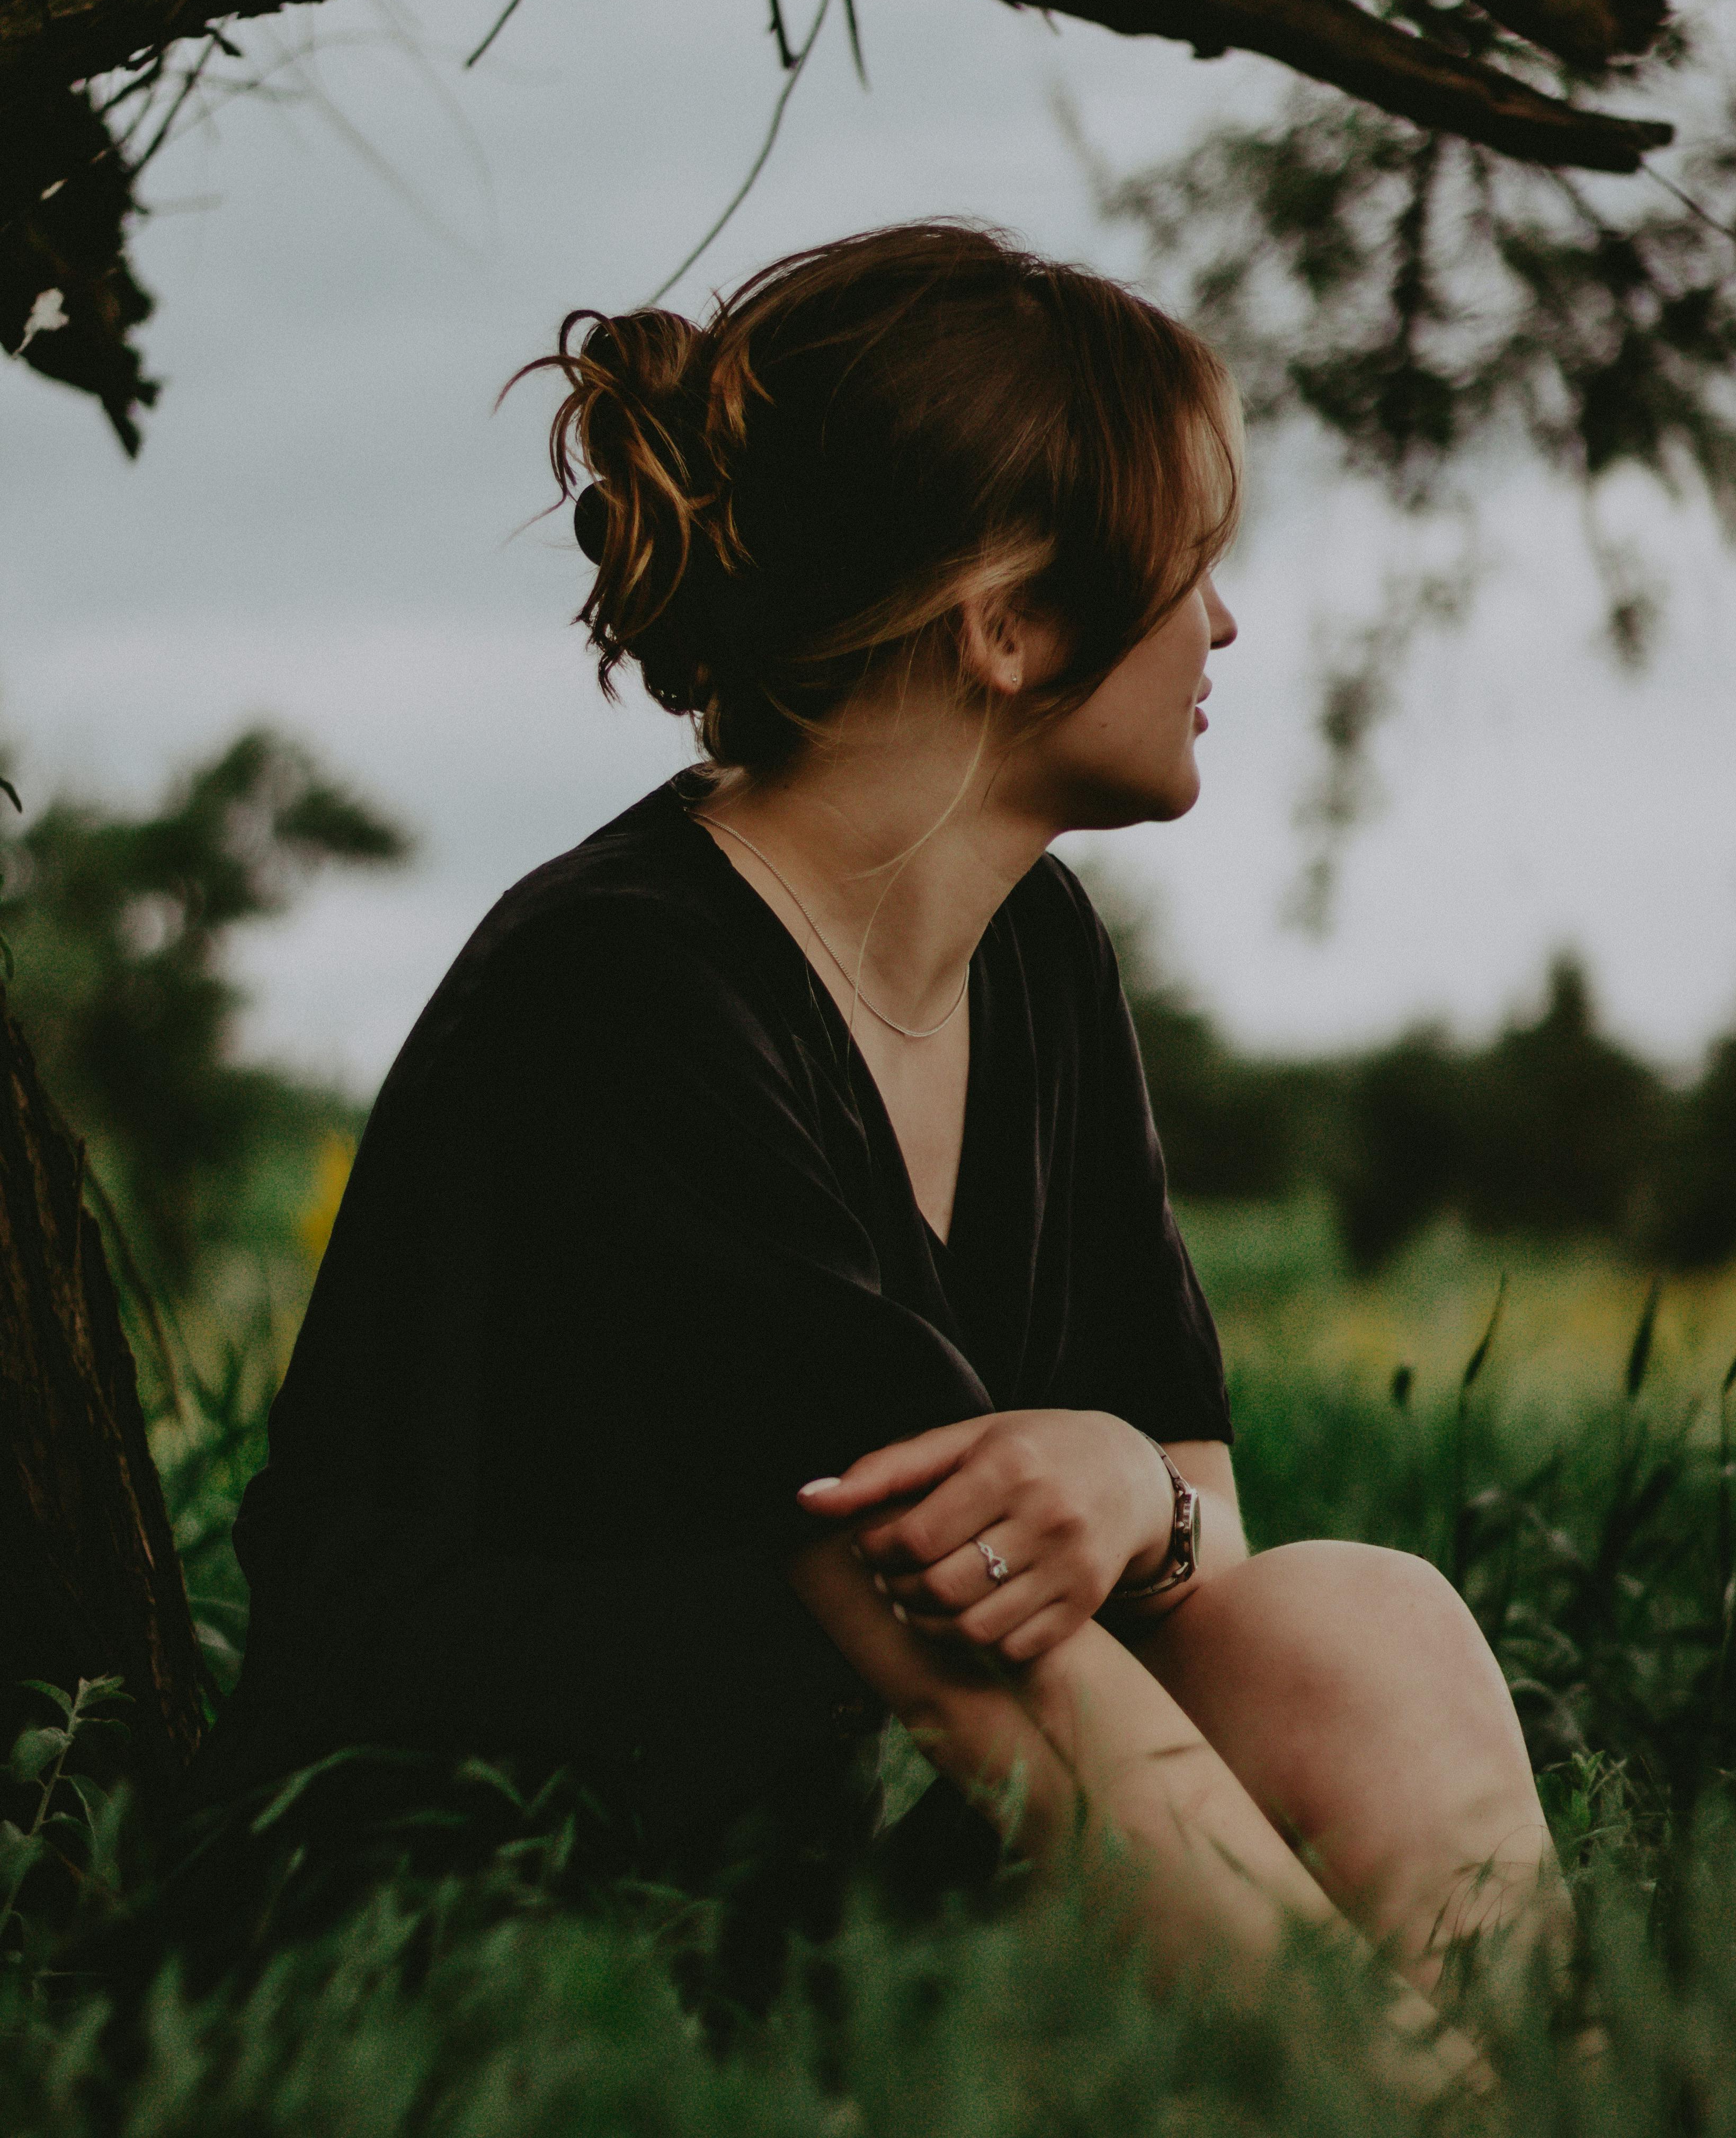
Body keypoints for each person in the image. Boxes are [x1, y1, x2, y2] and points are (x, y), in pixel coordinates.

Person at [187, 220, 1558, 2045]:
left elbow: (1203, 1533)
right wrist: (1407, 2098)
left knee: (1366, 1623)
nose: (1224, 626)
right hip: (513, 1958)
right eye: (1191, 566)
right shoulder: (626, 991)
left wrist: (1124, 1488)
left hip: (810, 1860)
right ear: (1006, 623)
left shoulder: (1034, 955)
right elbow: (960, 1646)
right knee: (1327, 2012)